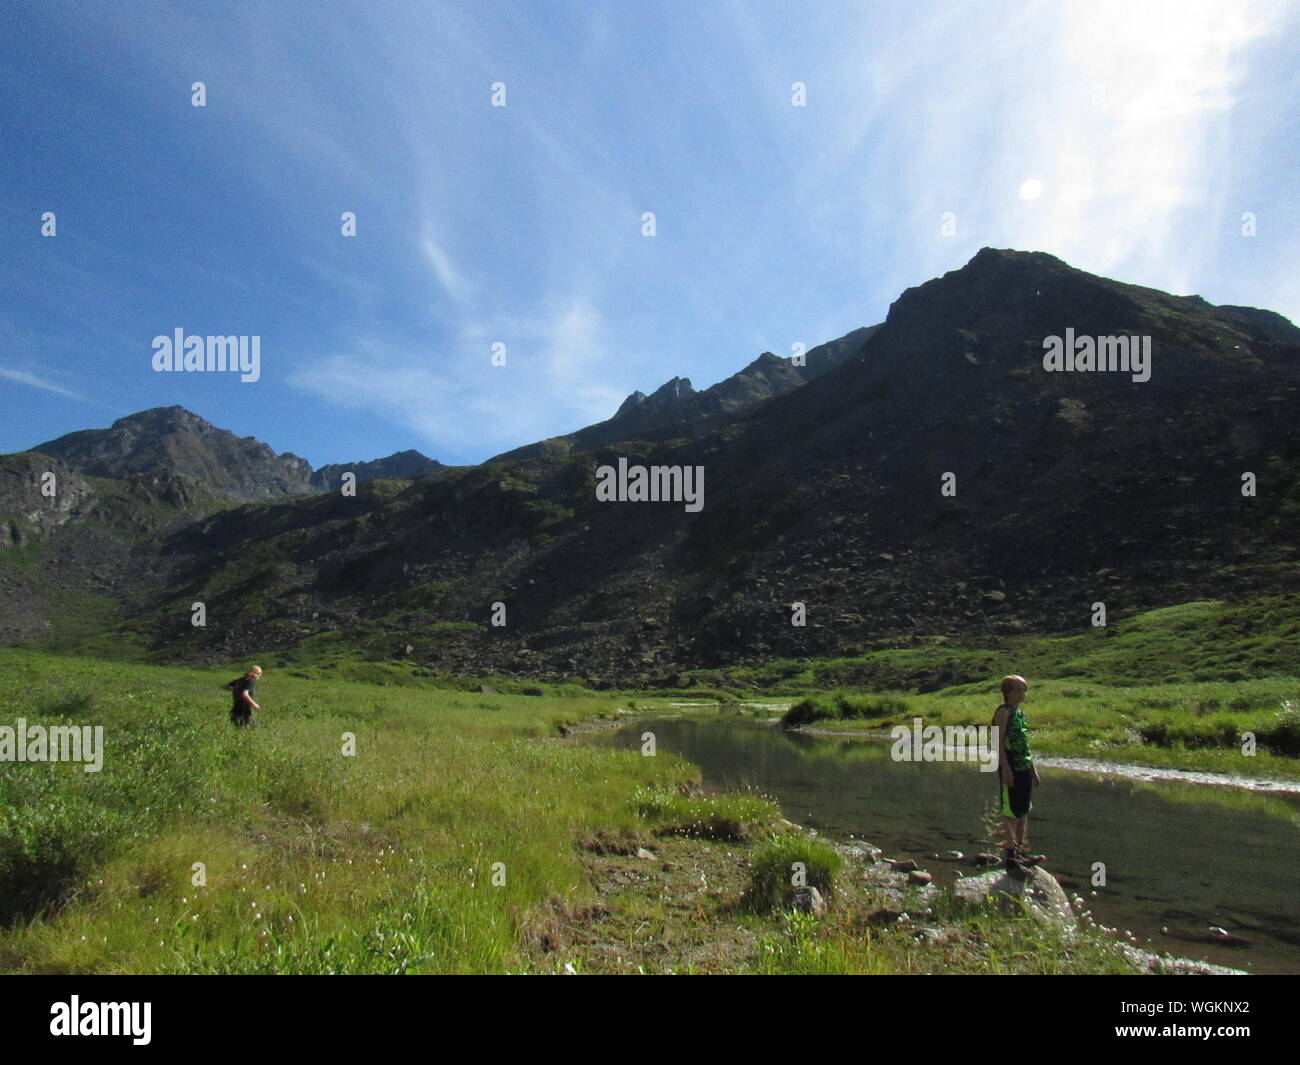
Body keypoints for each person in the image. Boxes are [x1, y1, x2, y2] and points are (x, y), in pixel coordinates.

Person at [991, 674, 1042, 877]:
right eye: (1019, 690)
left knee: (1023, 810)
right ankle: (1010, 854)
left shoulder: (1019, 713)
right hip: (1010, 767)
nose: (1023, 694)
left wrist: (1033, 770)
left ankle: (1021, 852)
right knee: (1010, 811)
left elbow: (1025, 745)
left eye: (1024, 690)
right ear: (1008, 692)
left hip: (1023, 767)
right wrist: (1006, 769)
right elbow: (998, 742)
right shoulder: (1003, 713)